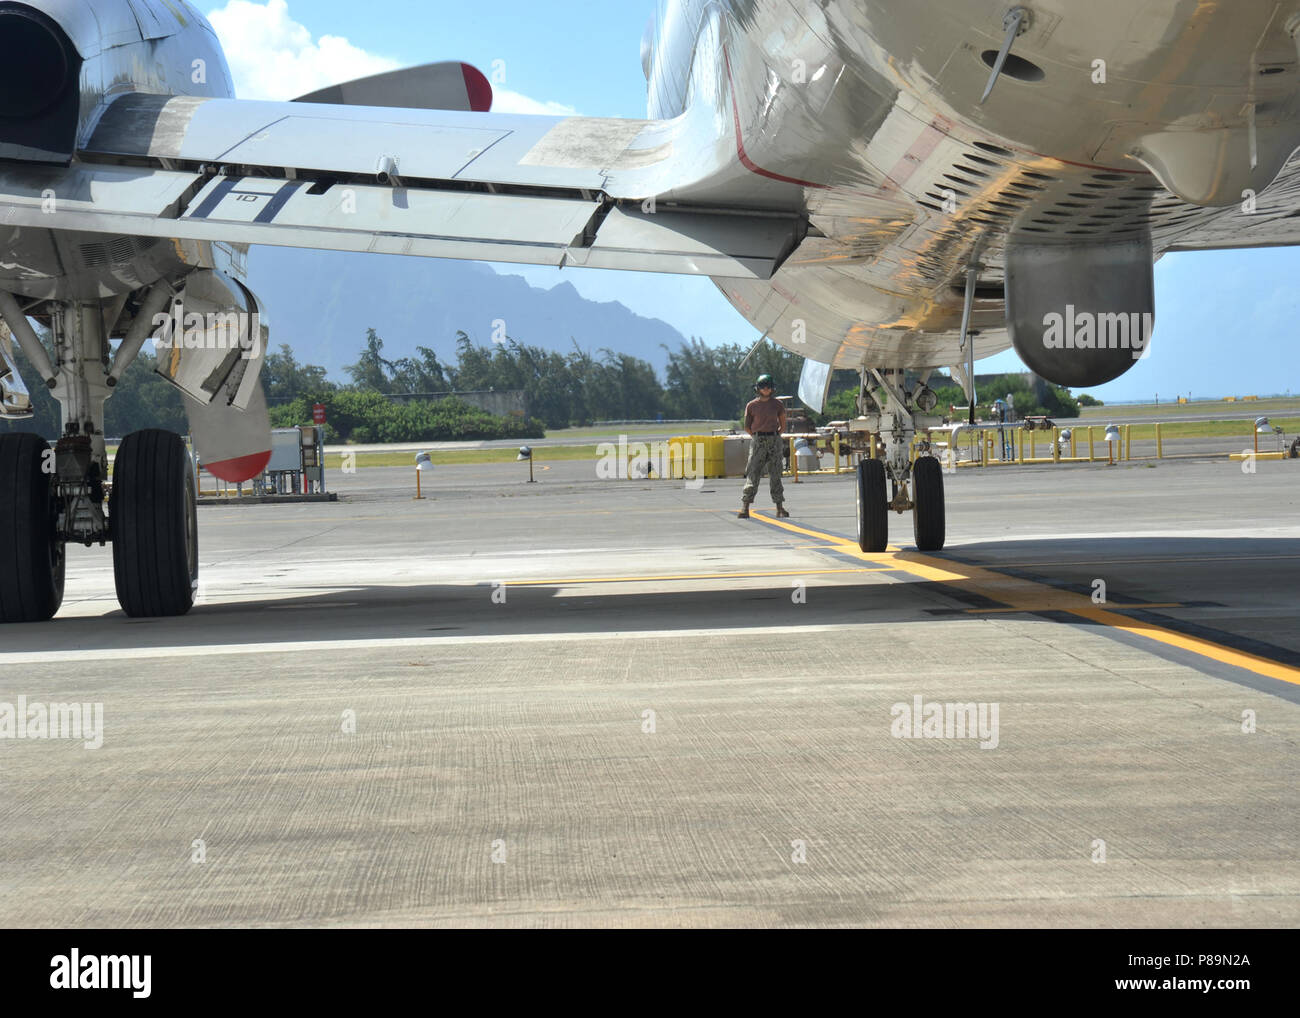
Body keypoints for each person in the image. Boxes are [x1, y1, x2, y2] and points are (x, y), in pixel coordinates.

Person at [738, 374, 789, 518]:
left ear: (772, 388)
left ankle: (779, 507)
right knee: (753, 473)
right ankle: (745, 506)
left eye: (768, 386)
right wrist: (756, 437)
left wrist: (776, 436)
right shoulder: (752, 405)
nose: (765, 389)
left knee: (776, 474)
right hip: (758, 440)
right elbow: (747, 426)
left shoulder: (777, 404)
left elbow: (783, 424)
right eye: (762, 386)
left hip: (774, 439)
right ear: (757, 388)